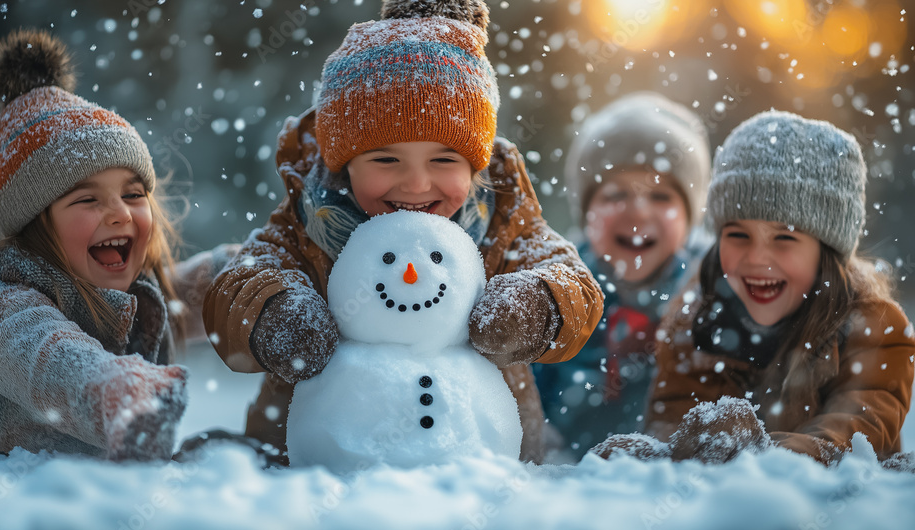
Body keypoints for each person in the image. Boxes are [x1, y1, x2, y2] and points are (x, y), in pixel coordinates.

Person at [202, 0, 605, 466]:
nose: (416, 184)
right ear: (344, 164)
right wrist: (277, 315)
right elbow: (239, 284)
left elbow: (571, 280)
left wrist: (535, 306)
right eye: (386, 160)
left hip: (484, 466)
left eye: (444, 160)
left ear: (475, 164)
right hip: (313, 470)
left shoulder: (502, 216)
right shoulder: (309, 219)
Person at [0, 29, 237, 461]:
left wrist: (256, 274)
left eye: (133, 194)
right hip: (8, 507)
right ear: (35, 227)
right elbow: (48, 358)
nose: (120, 213)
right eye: (87, 199)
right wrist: (116, 392)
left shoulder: (139, 296)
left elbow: (198, 289)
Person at [599, 110, 914, 465]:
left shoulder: (874, 328)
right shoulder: (698, 321)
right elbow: (674, 423)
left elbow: (851, 439)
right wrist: (653, 454)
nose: (757, 258)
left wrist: (752, 455)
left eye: (784, 237)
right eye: (738, 235)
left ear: (826, 250)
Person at [534, 92, 712, 461]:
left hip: (675, 479)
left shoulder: (711, 284)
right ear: (586, 213)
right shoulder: (558, 286)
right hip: (567, 477)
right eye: (616, 194)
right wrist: (541, 440)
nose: (637, 211)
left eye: (661, 196)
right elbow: (526, 383)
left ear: (690, 217)